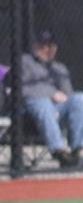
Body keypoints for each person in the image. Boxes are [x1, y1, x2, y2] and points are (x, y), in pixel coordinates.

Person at [19, 30, 83, 169]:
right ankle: (59, 150)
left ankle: (77, 149)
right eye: (43, 46)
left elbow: (68, 94)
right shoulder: (24, 62)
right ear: (35, 46)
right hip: (30, 110)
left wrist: (63, 97)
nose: (46, 49)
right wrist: (50, 94)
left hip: (56, 110)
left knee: (79, 99)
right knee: (42, 103)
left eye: (50, 46)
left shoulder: (59, 68)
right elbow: (20, 90)